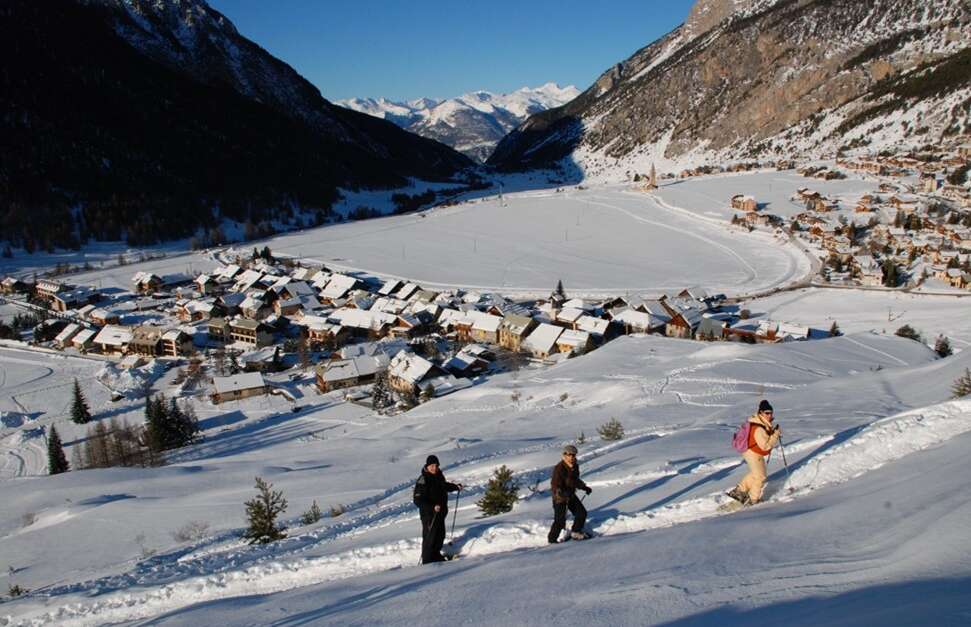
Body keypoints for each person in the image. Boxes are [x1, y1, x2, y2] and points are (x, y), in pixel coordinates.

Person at [728, 400, 781, 505]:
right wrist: (775, 435)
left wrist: (772, 432)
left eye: (771, 413)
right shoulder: (758, 428)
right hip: (753, 453)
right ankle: (753, 499)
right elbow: (765, 446)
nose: (769, 415)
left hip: (752, 451)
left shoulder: (760, 422)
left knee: (756, 473)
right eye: (767, 413)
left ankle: (739, 491)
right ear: (761, 412)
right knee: (760, 476)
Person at [413, 455, 463, 564]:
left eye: (436, 465)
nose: (434, 468)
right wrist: (432, 507)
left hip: (440, 513)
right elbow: (417, 500)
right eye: (432, 466)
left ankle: (436, 556)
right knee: (430, 538)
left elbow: (444, 486)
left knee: (440, 536)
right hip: (429, 515)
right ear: (427, 466)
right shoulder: (423, 479)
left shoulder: (439, 475)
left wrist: (455, 487)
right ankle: (427, 561)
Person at [547, 444, 592, 543]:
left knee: (581, 513)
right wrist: (561, 492)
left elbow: (574, 480)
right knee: (560, 520)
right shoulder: (559, 468)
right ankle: (552, 540)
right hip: (559, 497)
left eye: (573, 455)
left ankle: (576, 532)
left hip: (570, 495)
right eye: (569, 454)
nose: (571, 457)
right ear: (564, 455)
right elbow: (555, 484)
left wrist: (584, 487)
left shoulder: (575, 466)